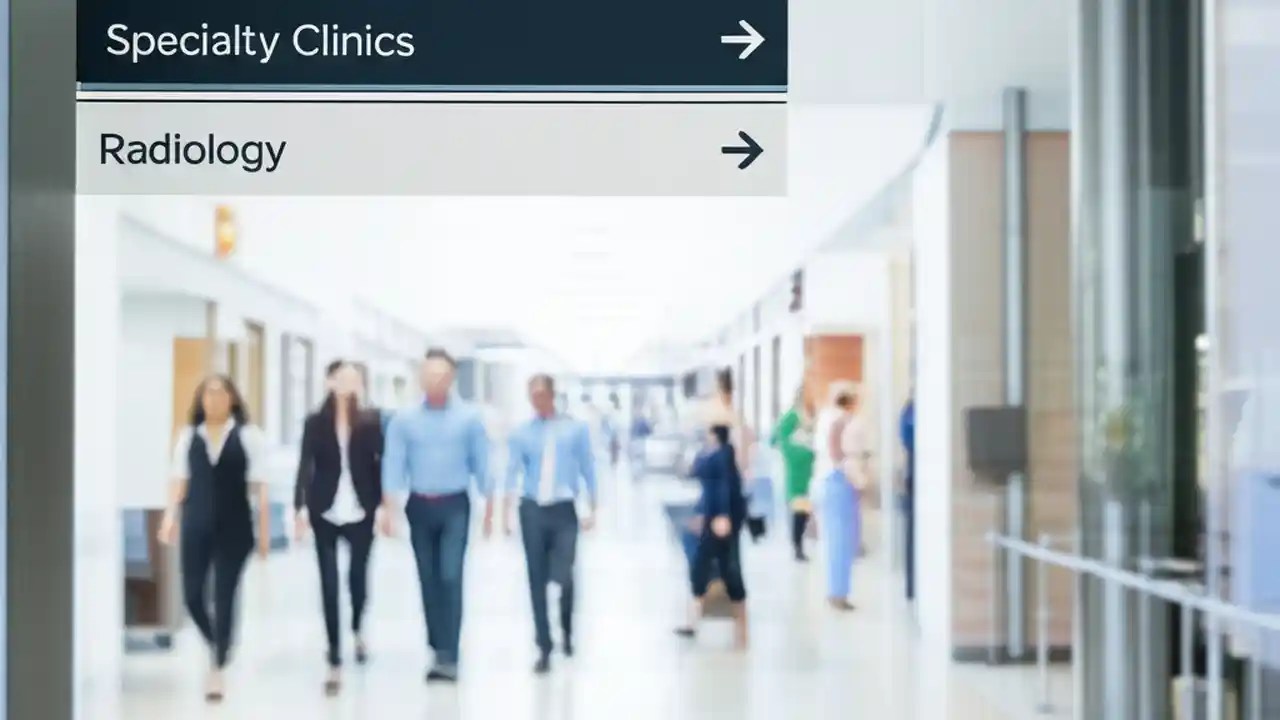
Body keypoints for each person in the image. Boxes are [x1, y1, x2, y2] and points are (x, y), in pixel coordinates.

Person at [380, 348, 494, 684]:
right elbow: (393, 464)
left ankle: (450, 654)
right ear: (420, 377)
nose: (434, 380)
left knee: (450, 575)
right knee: (428, 578)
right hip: (419, 505)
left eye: (441, 375)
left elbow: (482, 463)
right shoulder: (404, 420)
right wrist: (390, 509)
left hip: (455, 505)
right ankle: (437, 648)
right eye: (428, 374)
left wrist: (491, 508)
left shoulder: (469, 419)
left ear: (452, 378)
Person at [157, 374, 269, 703]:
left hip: (235, 528)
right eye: (208, 393)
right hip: (196, 524)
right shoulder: (188, 436)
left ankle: (216, 669)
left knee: (224, 594)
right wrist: (168, 518)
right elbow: (180, 481)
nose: (214, 399)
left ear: (233, 398)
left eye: (221, 393)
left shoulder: (249, 436)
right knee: (192, 595)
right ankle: (217, 642)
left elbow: (260, 487)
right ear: (200, 399)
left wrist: (263, 534)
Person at [294, 360, 384, 695]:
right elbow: (305, 464)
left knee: (357, 580)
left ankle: (358, 628)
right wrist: (299, 508)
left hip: (361, 510)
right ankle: (334, 656)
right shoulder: (315, 422)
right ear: (330, 382)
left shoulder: (371, 421)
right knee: (329, 583)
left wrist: (386, 507)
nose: (349, 383)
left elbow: (381, 465)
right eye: (343, 378)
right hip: (325, 510)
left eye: (355, 379)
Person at [503, 374, 599, 674]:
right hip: (533, 508)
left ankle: (567, 632)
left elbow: (588, 468)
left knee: (564, 574)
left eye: (542, 394)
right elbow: (511, 471)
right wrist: (505, 511)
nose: (538, 400)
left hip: (564, 509)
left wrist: (592, 507)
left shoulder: (574, 429)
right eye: (532, 395)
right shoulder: (521, 433)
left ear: (553, 395)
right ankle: (543, 645)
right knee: (536, 578)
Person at [674, 424, 749, 649]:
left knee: (727, 571)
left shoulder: (723, 456)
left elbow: (725, 488)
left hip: (720, 523)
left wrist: (723, 516)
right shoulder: (711, 456)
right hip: (712, 520)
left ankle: (740, 628)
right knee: (708, 568)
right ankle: (695, 621)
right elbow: (694, 473)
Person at [822, 387, 870, 611]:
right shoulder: (845, 424)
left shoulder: (830, 420)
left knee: (837, 541)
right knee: (842, 541)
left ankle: (837, 591)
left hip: (833, 483)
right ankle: (838, 593)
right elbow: (845, 458)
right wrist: (861, 483)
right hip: (842, 483)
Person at [772, 388, 816, 561]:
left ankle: (800, 544)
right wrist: (805, 454)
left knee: (804, 511)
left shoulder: (807, 417)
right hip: (796, 470)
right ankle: (797, 546)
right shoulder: (790, 417)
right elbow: (780, 441)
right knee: (799, 510)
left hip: (807, 471)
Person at [899, 394, 915, 601]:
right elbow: (907, 438)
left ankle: (913, 586)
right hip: (914, 479)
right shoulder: (912, 409)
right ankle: (912, 586)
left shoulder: (911, 408)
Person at [743, 436, 773, 542]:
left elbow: (750, 465)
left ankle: (758, 532)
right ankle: (759, 532)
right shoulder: (759, 448)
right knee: (759, 510)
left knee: (757, 510)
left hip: (758, 480)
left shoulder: (754, 448)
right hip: (762, 480)